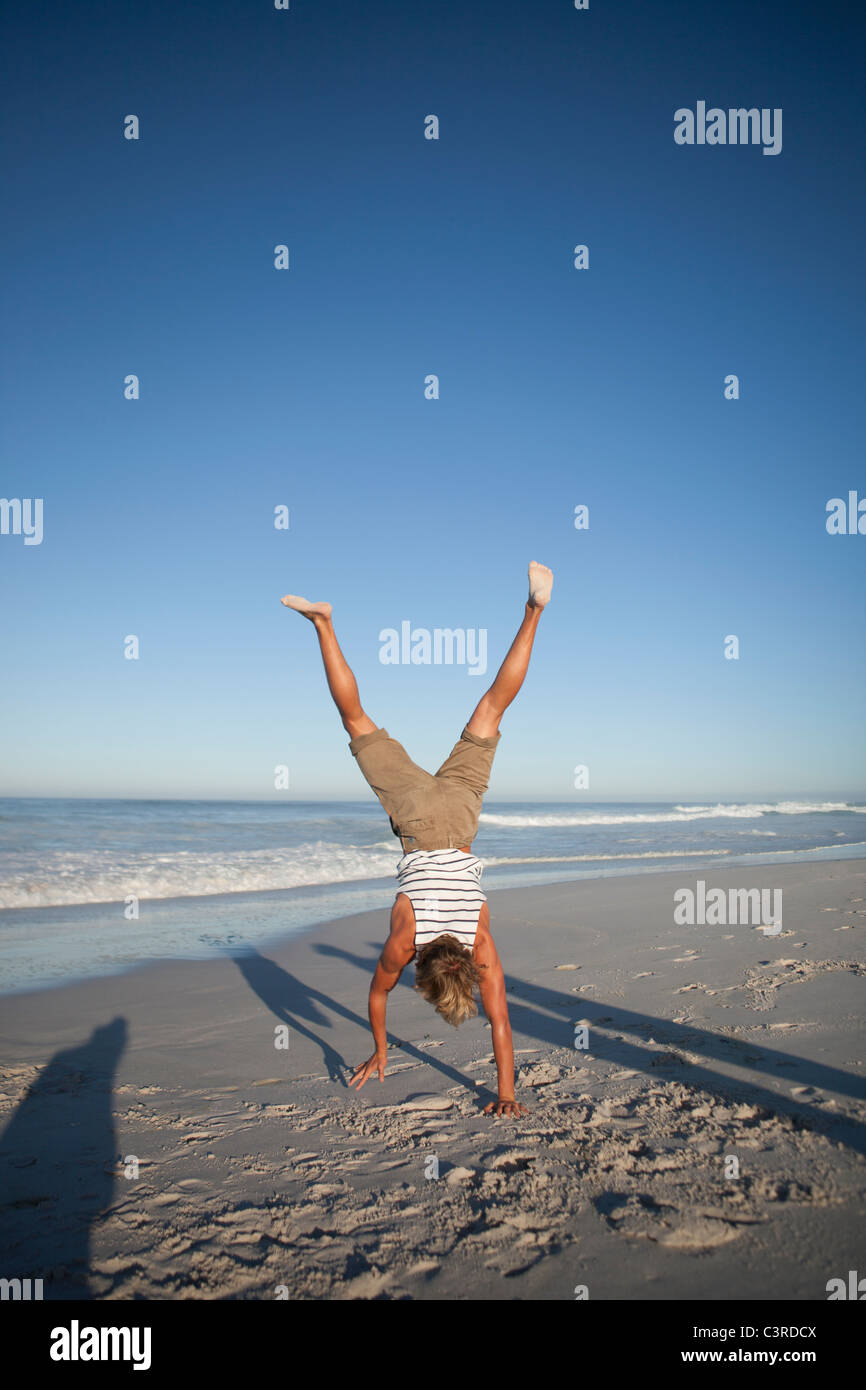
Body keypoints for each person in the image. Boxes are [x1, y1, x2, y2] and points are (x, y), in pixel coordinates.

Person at [281, 562, 553, 1118]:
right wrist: (381, 1048)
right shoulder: (406, 939)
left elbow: (501, 1020)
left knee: (491, 709)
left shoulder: (480, 941)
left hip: (459, 817)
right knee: (356, 720)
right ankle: (323, 624)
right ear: (423, 970)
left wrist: (507, 1094)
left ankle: (534, 610)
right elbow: (377, 995)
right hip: (419, 824)